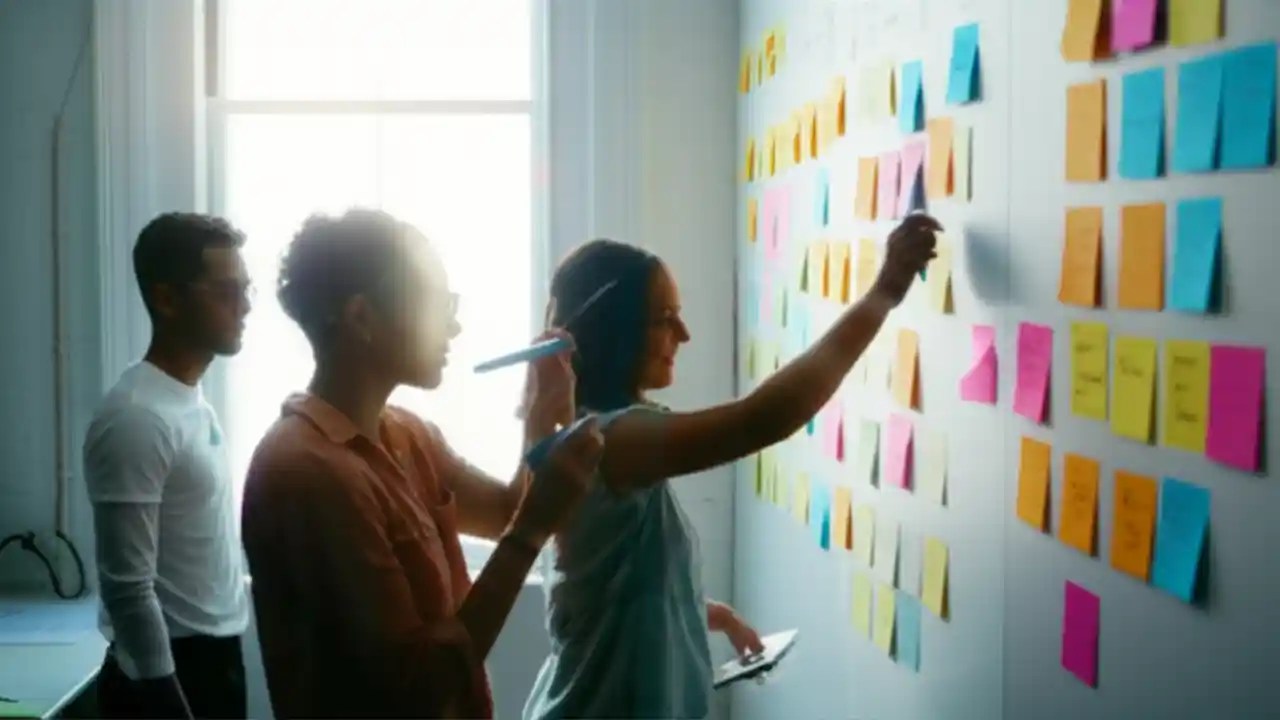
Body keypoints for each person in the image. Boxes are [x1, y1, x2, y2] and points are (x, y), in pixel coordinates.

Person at [523, 214, 941, 719]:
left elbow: (611, 583)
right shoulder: (610, 441)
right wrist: (884, 293)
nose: (685, 333)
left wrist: (704, 615)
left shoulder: (600, 433)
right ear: (616, 330)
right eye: (665, 318)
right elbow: (762, 420)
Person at [240, 209, 604, 719]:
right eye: (436, 303)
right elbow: (414, 690)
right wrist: (532, 532)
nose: (453, 324)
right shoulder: (308, 471)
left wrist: (542, 416)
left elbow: (503, 510)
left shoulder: (406, 433)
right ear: (362, 317)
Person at [82, 213, 254, 719]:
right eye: (226, 292)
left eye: (247, 289)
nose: (244, 307)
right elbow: (127, 590)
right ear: (167, 298)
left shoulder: (189, 400)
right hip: (168, 680)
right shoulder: (136, 416)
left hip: (216, 660)